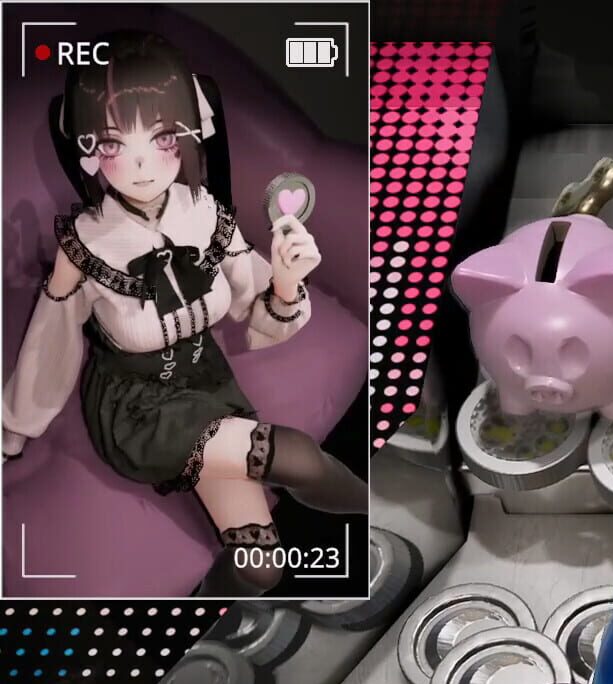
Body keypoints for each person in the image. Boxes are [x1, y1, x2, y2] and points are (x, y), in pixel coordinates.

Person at [1, 30, 365, 596]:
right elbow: (53, 340)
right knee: (295, 456)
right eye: (116, 142)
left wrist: (287, 281)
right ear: (90, 150)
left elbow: (254, 310)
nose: (142, 163)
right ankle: (376, 503)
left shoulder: (206, 215)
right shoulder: (86, 245)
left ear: (191, 134)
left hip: (207, 384)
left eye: (163, 137)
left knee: (260, 568)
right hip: (138, 409)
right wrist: (14, 431)